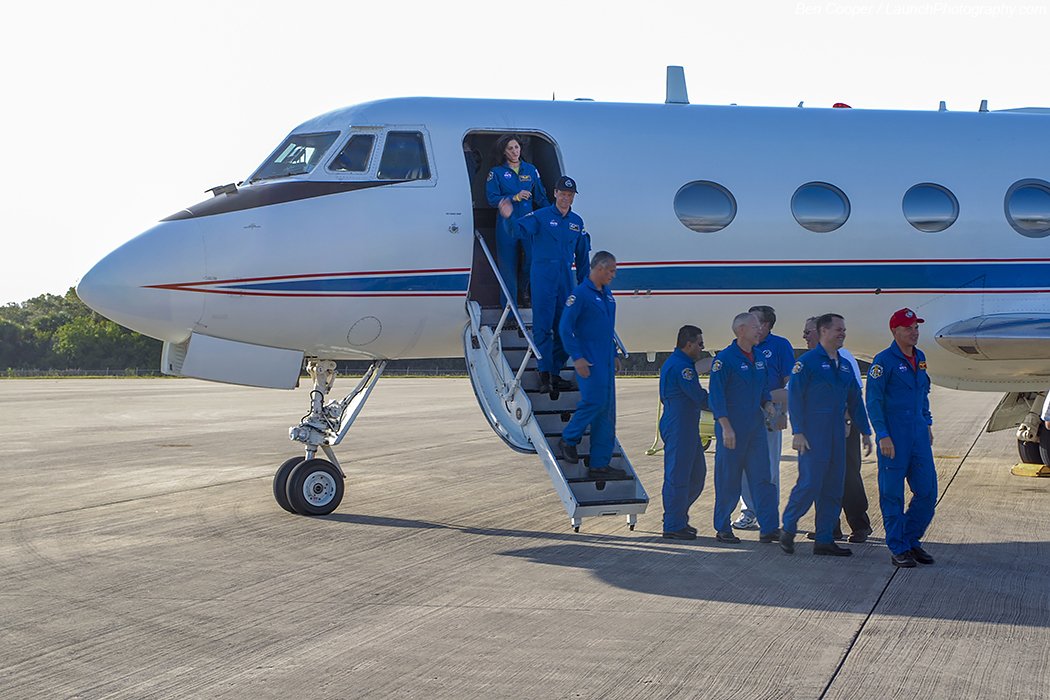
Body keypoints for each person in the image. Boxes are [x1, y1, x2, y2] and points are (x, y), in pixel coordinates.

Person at [780, 314, 873, 556]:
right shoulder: (807, 363)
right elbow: (795, 398)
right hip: (813, 434)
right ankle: (788, 529)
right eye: (838, 329)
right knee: (810, 484)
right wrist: (798, 431)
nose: (843, 333)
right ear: (823, 331)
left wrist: (865, 431)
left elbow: (855, 401)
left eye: (844, 329)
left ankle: (824, 540)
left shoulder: (843, 364)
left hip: (837, 435)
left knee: (834, 487)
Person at [866, 307, 937, 568]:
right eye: (908, 328)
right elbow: (873, 401)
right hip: (893, 438)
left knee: (927, 492)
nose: (914, 332)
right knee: (892, 494)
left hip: (918, 435)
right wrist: (882, 434)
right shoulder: (883, 361)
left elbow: (923, 394)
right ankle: (898, 547)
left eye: (916, 327)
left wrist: (927, 422)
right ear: (895, 331)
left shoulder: (920, 358)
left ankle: (910, 539)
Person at [512, 176, 591, 394]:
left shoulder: (577, 222)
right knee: (543, 327)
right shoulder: (541, 216)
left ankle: (555, 372)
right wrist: (510, 214)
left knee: (566, 328)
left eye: (570, 195)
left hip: (566, 279)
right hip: (543, 278)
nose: (566, 198)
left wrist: (586, 287)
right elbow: (518, 230)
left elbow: (583, 257)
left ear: (573, 197)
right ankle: (544, 373)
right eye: (563, 194)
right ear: (555, 193)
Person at [709, 312, 780, 544]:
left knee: (763, 479)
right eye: (755, 326)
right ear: (741, 330)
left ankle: (769, 528)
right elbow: (717, 398)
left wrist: (768, 404)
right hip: (732, 430)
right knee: (728, 480)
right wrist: (726, 427)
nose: (759, 330)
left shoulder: (759, 357)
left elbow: (763, 391)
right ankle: (722, 527)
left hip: (755, 430)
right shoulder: (725, 360)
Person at [558, 251, 622, 479]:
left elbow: (607, 328)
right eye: (611, 270)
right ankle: (568, 439)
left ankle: (599, 463)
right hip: (589, 359)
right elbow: (565, 328)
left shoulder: (607, 294)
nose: (614, 275)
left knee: (606, 411)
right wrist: (577, 357)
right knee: (593, 402)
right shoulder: (580, 295)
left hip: (604, 358)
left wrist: (614, 352)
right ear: (599, 269)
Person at [733, 305, 793, 531]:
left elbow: (789, 382)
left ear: (766, 325)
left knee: (768, 467)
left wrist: (782, 412)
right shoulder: (743, 346)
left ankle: (768, 515)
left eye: (755, 321)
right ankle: (748, 511)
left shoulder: (780, 346)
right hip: (744, 412)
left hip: (771, 411)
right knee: (744, 465)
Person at [486, 135, 551, 307]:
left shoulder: (530, 170)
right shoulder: (496, 172)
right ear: (504, 152)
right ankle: (509, 308)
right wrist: (514, 197)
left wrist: (553, 214)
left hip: (528, 223)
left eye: (516, 147)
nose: (514, 152)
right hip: (506, 224)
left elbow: (541, 197)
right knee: (507, 266)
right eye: (510, 149)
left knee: (532, 259)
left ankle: (524, 288)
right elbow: (491, 198)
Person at [659, 325, 710, 540]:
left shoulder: (683, 363)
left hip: (687, 426)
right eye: (700, 343)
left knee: (697, 475)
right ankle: (673, 523)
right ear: (688, 344)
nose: (702, 347)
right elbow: (699, 397)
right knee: (677, 476)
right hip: (678, 426)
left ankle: (676, 516)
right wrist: (728, 406)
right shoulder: (682, 368)